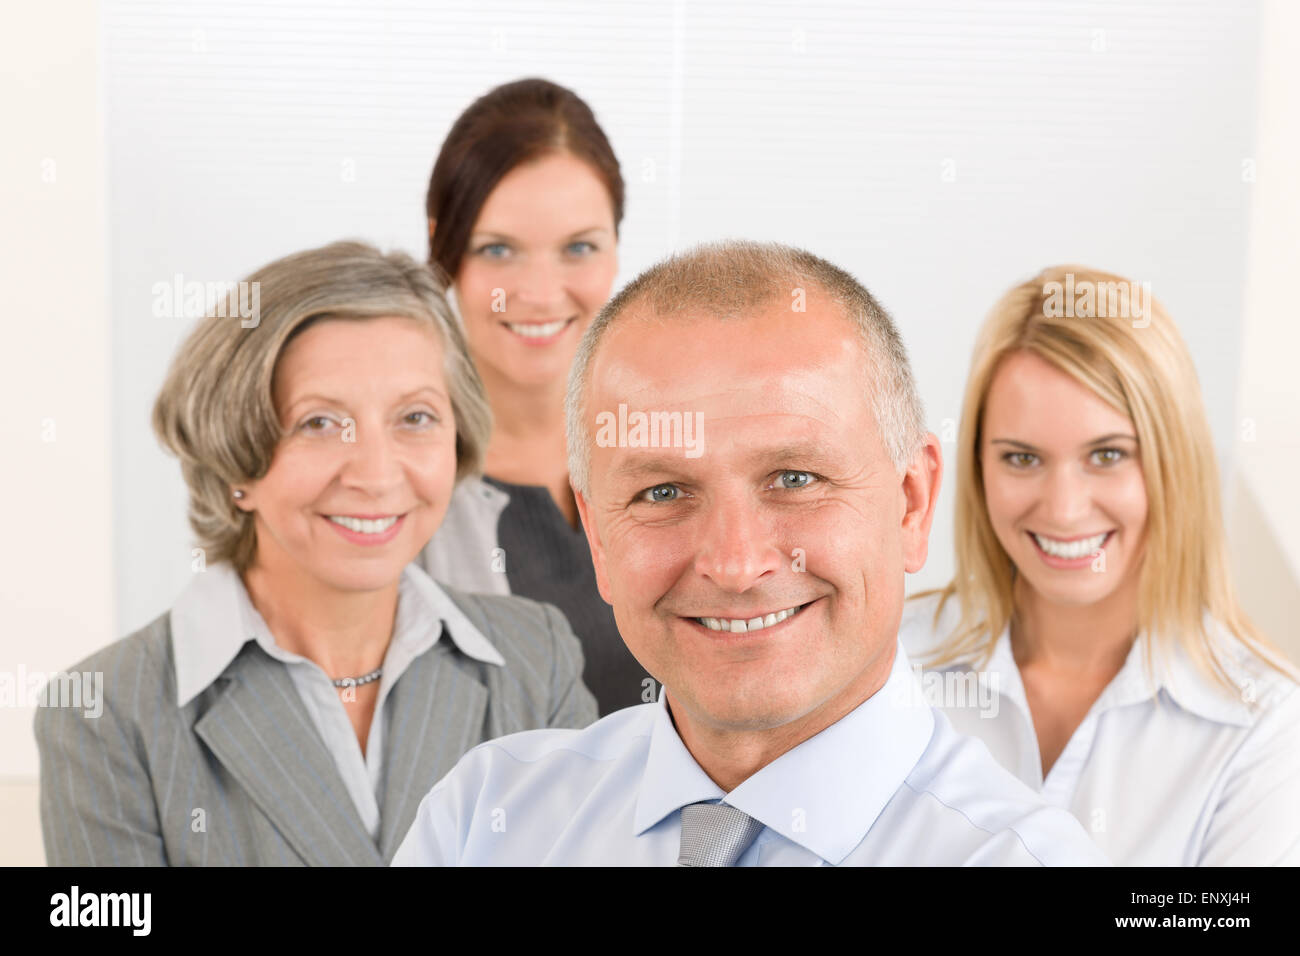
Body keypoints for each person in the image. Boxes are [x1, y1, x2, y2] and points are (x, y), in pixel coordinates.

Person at [392, 240, 1110, 866]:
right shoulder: (481, 824)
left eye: (796, 480)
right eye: (664, 492)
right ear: (599, 535)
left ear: (912, 502)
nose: (735, 566)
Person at [34, 241, 597, 866]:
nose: (378, 475)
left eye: (415, 416)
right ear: (234, 462)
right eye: (319, 423)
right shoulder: (105, 713)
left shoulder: (535, 659)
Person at [900, 265, 1300, 865]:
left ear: (1175, 462)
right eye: (1022, 458)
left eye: (1108, 455)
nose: (1063, 510)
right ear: (978, 468)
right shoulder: (889, 661)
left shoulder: (1263, 727)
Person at [417, 77, 652, 716]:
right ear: (444, 254)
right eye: (499, 250)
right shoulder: (398, 487)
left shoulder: (675, 443)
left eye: (579, 247)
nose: (542, 294)